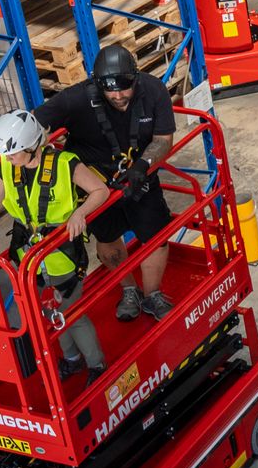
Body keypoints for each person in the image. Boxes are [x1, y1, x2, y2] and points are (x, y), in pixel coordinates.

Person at [0, 109, 110, 381]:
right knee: (46, 311)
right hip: (28, 256)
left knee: (69, 313)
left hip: (62, 255)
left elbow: (100, 190)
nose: (8, 159)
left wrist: (79, 214)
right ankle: (71, 360)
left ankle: (97, 366)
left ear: (33, 146)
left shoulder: (65, 163)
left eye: (13, 154)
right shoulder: (10, 166)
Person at [34, 44, 177, 322]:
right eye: (110, 90)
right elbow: (34, 123)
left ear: (135, 78)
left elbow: (162, 139)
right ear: (97, 83)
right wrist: (16, 159)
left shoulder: (153, 90)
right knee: (108, 238)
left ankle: (152, 295)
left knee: (155, 236)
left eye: (125, 88)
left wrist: (142, 166)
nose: (119, 95)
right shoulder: (76, 99)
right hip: (97, 186)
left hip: (139, 177)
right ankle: (129, 290)